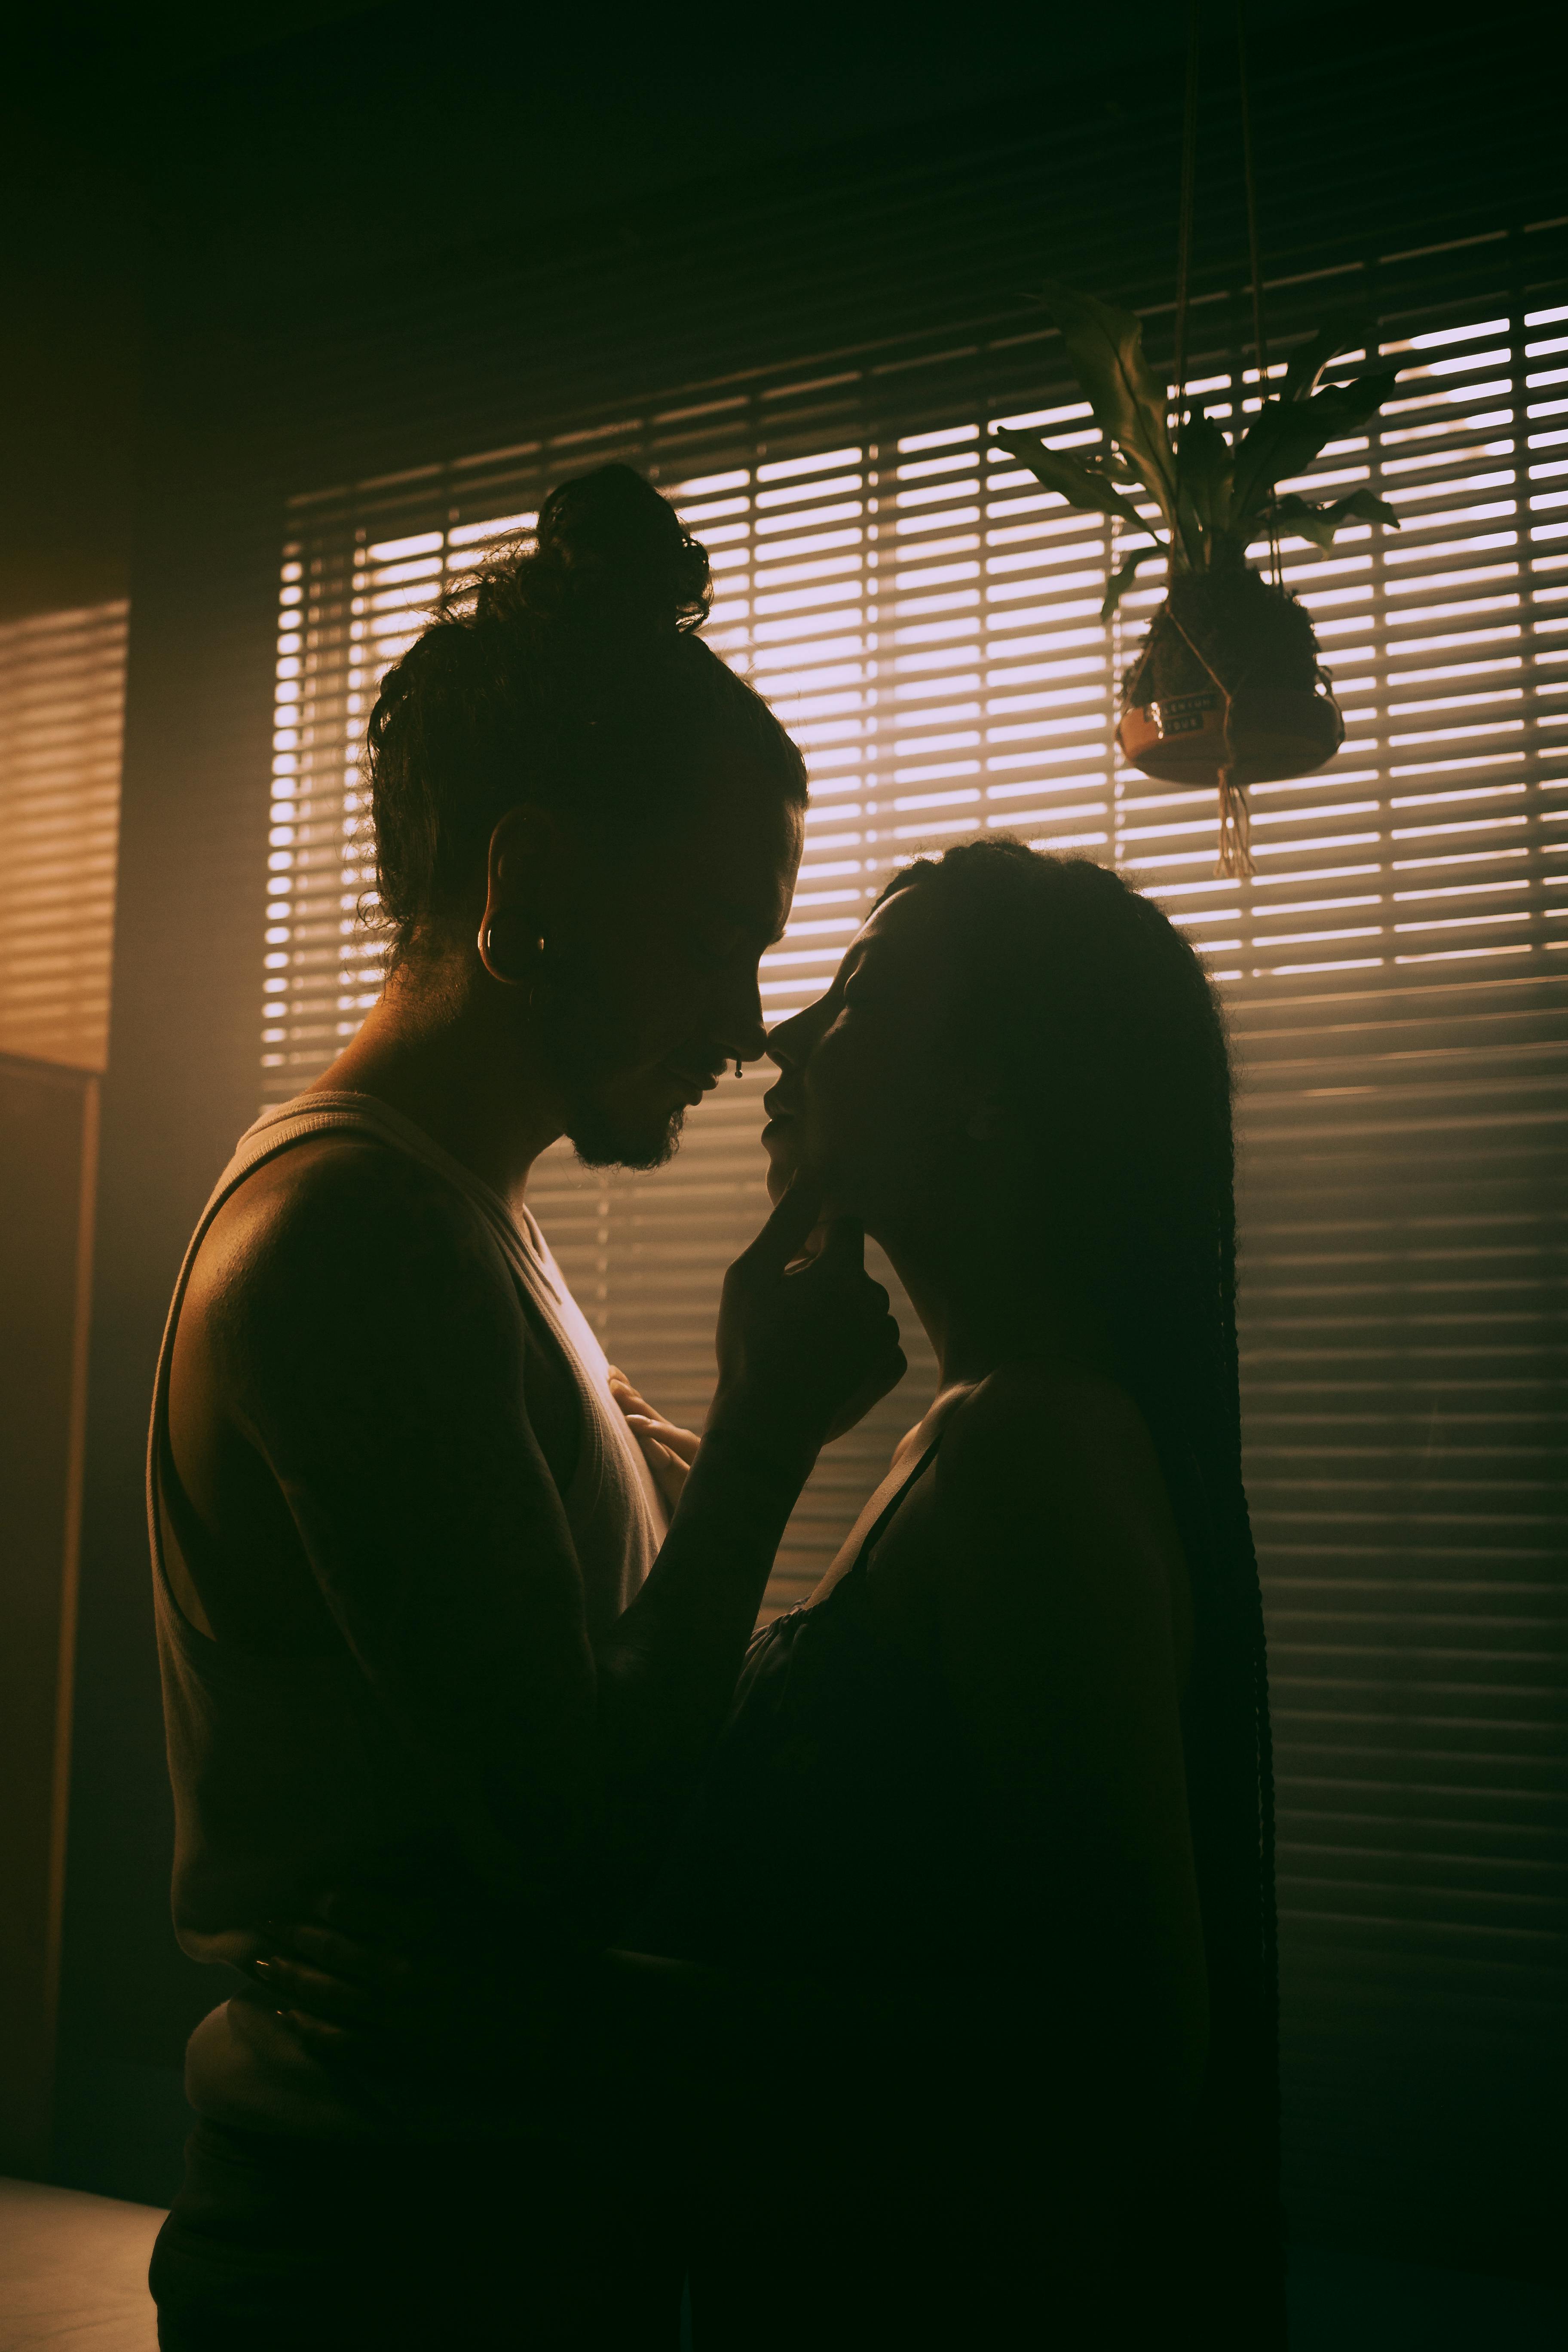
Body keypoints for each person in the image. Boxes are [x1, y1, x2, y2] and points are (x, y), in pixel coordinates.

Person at [266, 838, 1286, 2348]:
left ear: (988, 1105)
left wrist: (561, 2014)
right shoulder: (979, 1437)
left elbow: (1116, 2057)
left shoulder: (1033, 1456)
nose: (782, 1035)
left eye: (858, 999)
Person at [144, 463, 904, 2351]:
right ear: (530, 889)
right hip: (389, 2254)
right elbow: (573, 1832)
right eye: (722, 933)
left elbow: (645, 1714)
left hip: (486, 2220)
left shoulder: (464, 1233)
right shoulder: (355, 1248)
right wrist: (759, 1437)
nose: (746, 1019)